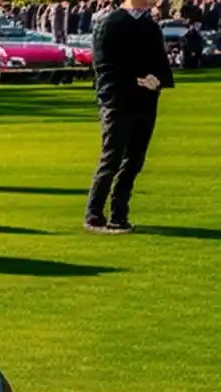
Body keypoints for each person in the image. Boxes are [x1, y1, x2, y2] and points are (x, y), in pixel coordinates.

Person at [84, 0, 173, 233]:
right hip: (118, 101)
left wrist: (157, 79)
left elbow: (160, 62)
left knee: (135, 160)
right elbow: (105, 66)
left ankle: (119, 213)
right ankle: (94, 214)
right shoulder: (110, 23)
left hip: (146, 100)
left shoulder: (150, 26)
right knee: (111, 158)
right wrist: (135, 83)